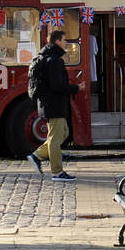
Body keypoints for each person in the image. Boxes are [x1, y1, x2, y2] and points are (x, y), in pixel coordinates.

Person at [27, 30, 79, 181]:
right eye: (64, 40)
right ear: (57, 41)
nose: (66, 43)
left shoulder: (46, 57)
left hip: (49, 104)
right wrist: (76, 88)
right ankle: (57, 172)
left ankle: (37, 155)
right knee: (56, 139)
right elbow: (57, 86)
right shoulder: (55, 60)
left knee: (63, 132)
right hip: (54, 104)